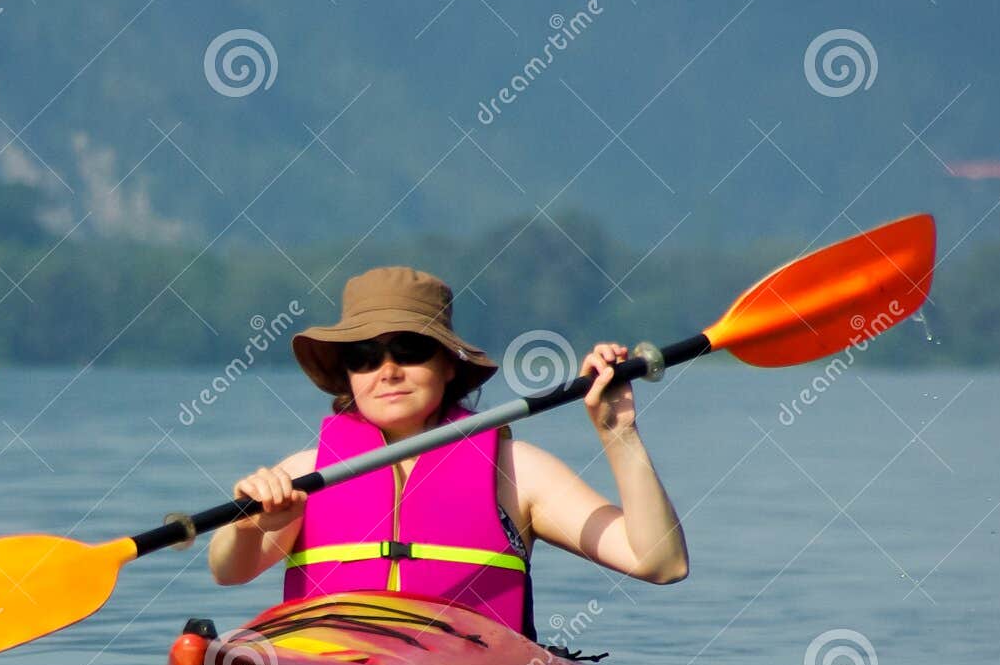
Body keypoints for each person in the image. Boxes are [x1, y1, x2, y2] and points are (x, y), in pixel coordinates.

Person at [206, 267, 688, 640]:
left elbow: (659, 563)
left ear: (449, 365)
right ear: (348, 374)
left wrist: (617, 432)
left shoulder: (517, 473)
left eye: (408, 349)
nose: (387, 370)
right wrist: (249, 526)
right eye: (365, 356)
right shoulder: (304, 474)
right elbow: (229, 571)